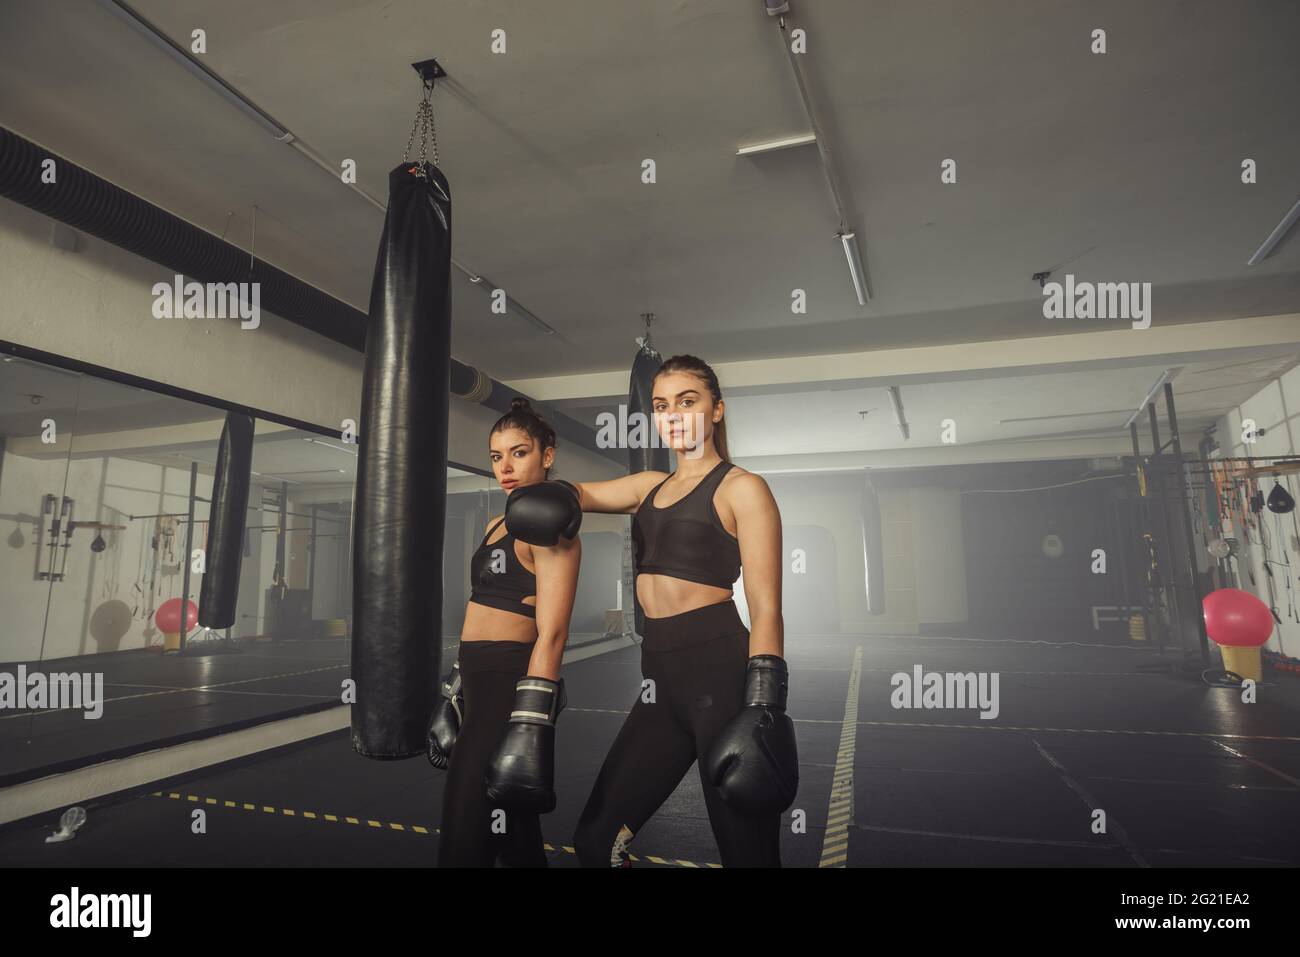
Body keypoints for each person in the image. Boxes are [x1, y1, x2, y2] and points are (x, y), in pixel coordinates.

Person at [539, 353, 797, 867]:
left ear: (716, 409)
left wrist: (763, 705)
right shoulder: (647, 487)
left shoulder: (742, 488)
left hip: (720, 675)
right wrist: (549, 490)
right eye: (661, 405)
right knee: (595, 841)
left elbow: (767, 608)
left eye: (687, 401)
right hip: (659, 680)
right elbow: (579, 494)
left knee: (749, 854)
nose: (673, 415)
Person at [431, 398, 582, 867]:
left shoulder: (552, 529)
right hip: (476, 684)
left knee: (464, 826)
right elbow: (479, 606)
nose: (506, 467)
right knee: (516, 833)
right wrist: (453, 691)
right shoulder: (497, 523)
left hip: (507, 687)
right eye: (497, 456)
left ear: (547, 455)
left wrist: (530, 724)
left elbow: (553, 632)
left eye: (519, 453)